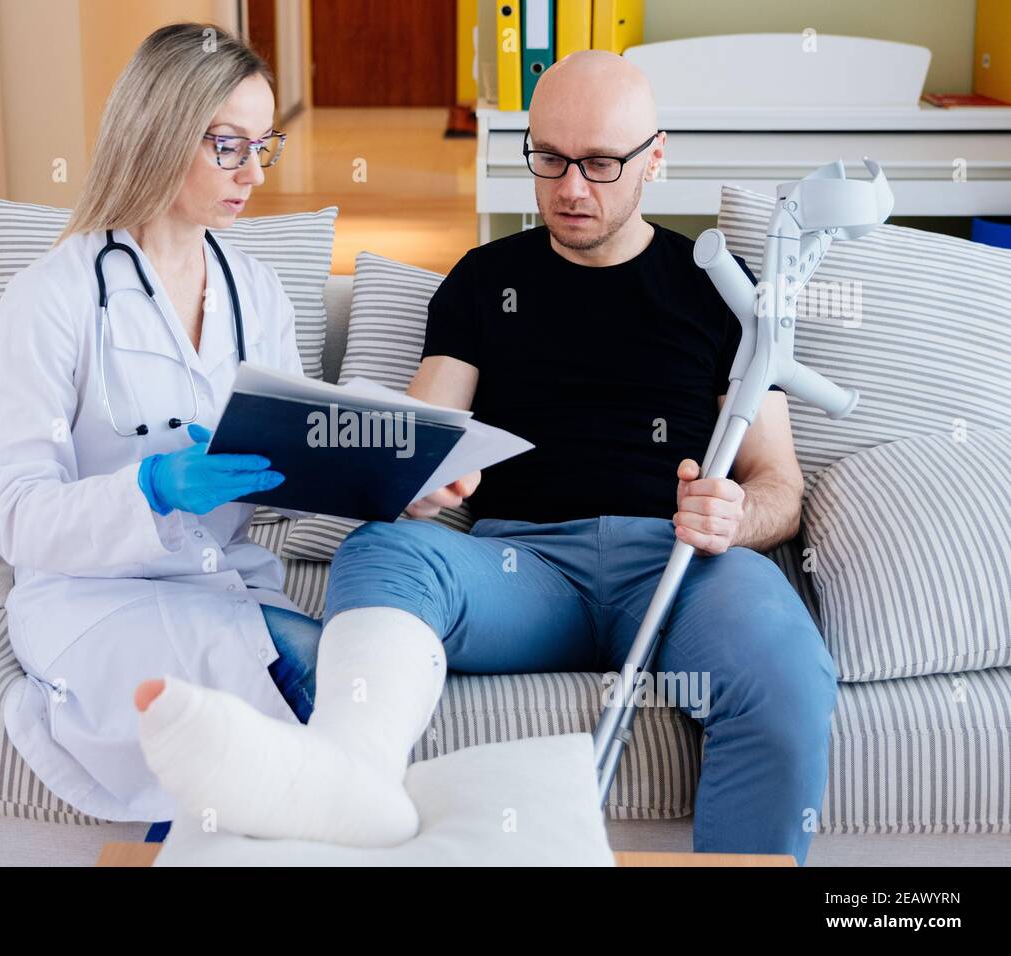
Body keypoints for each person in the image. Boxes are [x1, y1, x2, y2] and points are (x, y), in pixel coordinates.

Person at [134, 50, 840, 865]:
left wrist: (736, 513)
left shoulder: (722, 288)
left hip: (683, 566)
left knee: (788, 679)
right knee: (384, 550)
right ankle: (347, 775)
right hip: (519, 566)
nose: (571, 189)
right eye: (549, 159)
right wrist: (414, 479)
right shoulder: (483, 280)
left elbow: (778, 486)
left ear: (656, 157)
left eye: (602, 164)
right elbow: (426, 431)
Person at [0, 22, 323, 824]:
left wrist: (382, 476)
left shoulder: (256, 292)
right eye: (228, 146)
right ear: (161, 133)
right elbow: (15, 515)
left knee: (318, 708)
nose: (255, 173)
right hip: (94, 603)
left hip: (218, 584)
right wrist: (151, 491)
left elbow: (293, 463)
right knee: (244, 737)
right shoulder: (50, 298)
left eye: (263, 145)